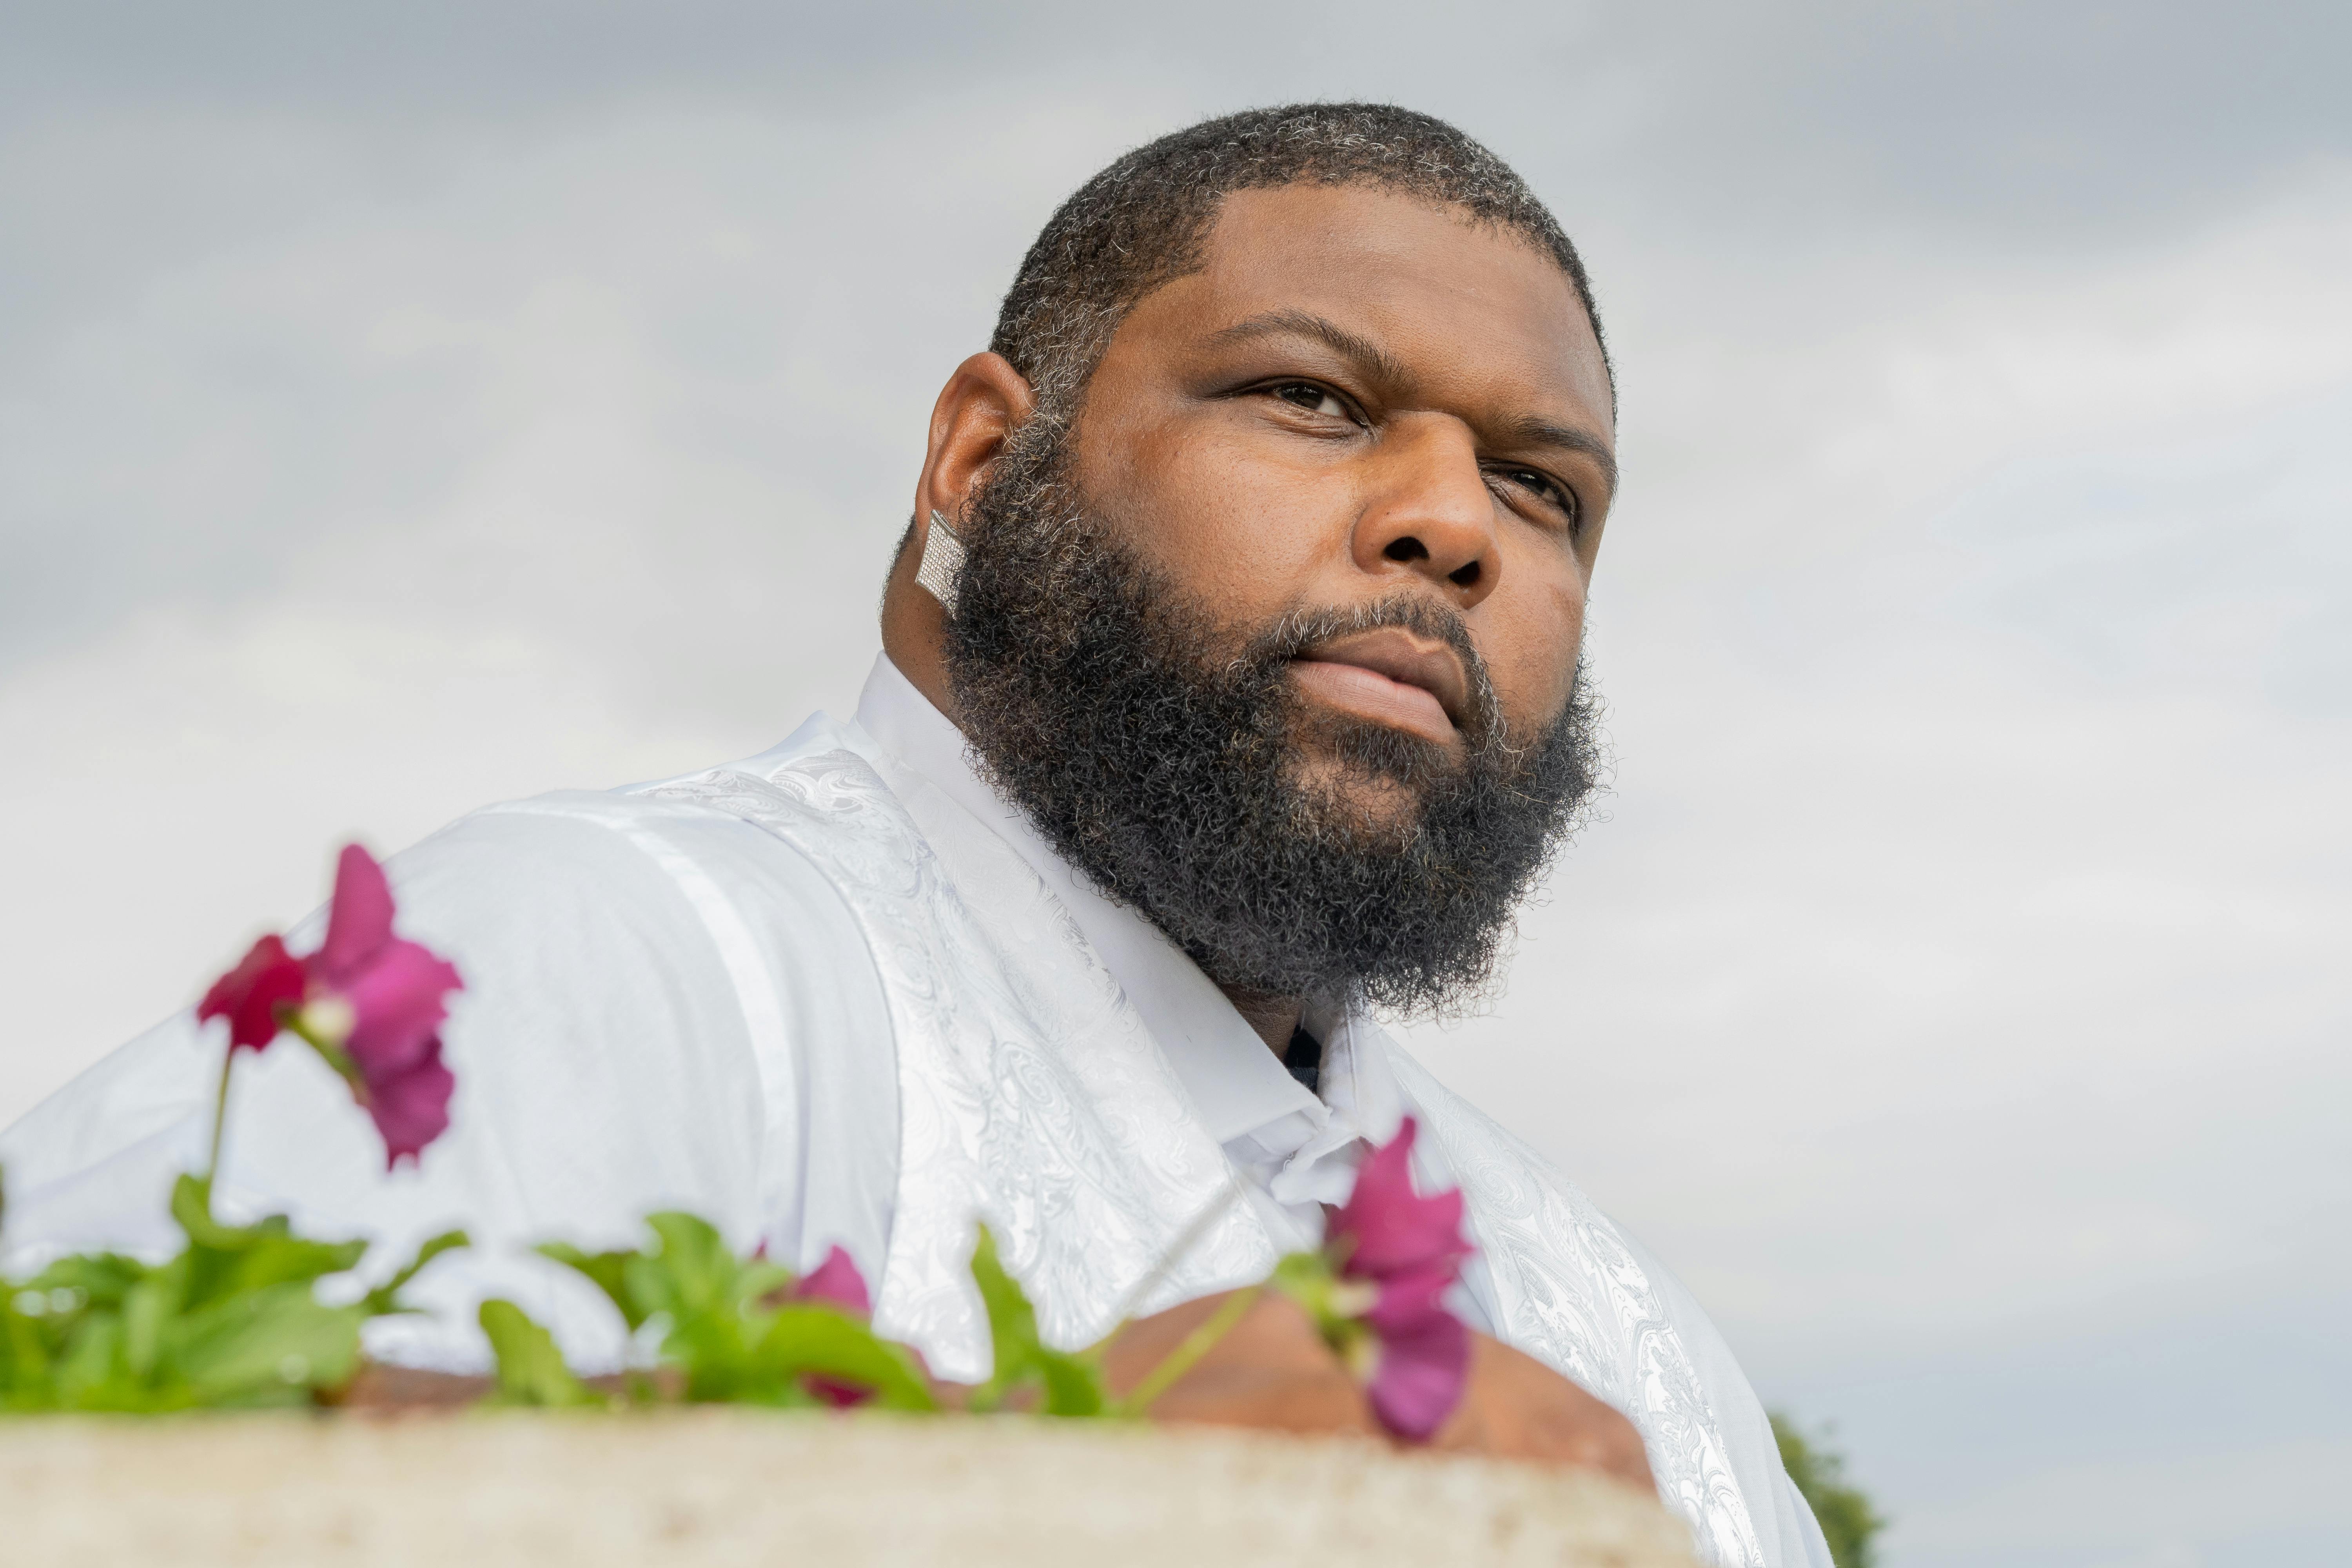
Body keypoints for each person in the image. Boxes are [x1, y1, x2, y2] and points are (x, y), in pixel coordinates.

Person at [0, 104, 1830, 1567]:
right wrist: (1040, 1480)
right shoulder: (633, 952)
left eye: (1546, 489)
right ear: (977, 461)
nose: (1455, 525)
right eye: (1315, 399)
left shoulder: (1637, 1354)